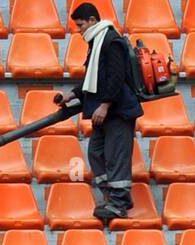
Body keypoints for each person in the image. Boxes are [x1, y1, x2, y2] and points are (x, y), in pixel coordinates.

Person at [55, 3, 144, 223]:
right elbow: (93, 79)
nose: (78, 30)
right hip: (103, 111)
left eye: (80, 25)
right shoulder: (96, 41)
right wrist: (73, 95)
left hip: (117, 111)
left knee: (116, 156)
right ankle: (111, 195)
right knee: (96, 152)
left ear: (92, 20)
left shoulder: (111, 41)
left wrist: (105, 105)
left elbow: (116, 77)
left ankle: (119, 203)